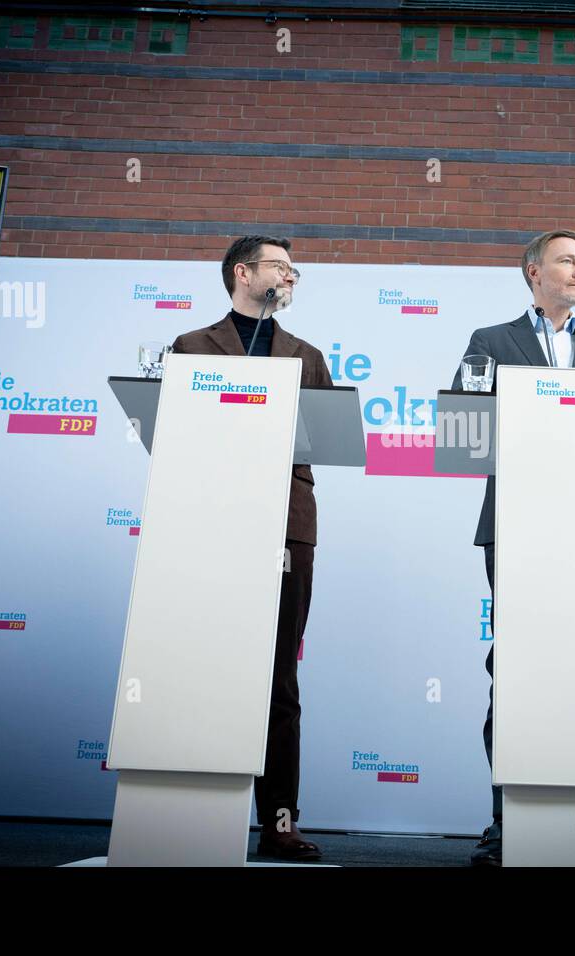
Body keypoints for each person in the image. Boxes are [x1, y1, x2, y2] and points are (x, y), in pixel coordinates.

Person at [450, 229, 575, 866]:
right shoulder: (491, 341)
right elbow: (463, 424)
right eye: (568, 259)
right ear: (533, 272)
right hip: (516, 529)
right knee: (515, 671)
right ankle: (507, 823)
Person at [170, 235, 331, 861]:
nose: (292, 275)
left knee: (279, 680)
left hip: (288, 529)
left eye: (295, 269)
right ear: (243, 272)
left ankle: (279, 823)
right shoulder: (191, 347)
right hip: (210, 524)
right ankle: (197, 812)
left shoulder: (307, 355)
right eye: (280, 266)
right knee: (204, 665)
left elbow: (321, 439)